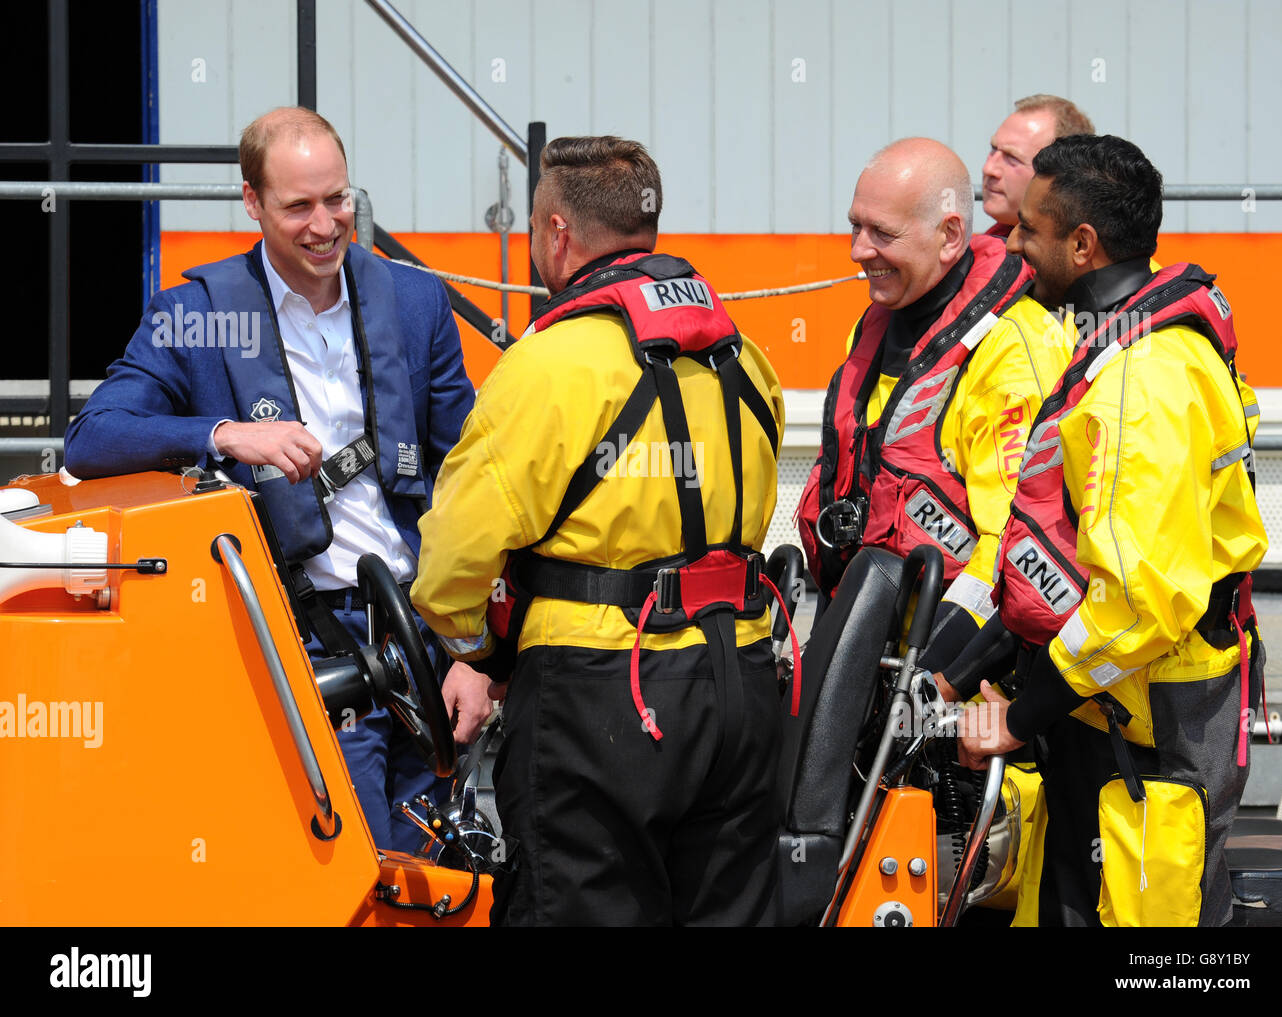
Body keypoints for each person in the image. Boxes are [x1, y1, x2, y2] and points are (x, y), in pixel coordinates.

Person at [63, 106, 489, 854]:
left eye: (339, 199)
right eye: (299, 206)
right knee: (350, 868)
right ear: (252, 203)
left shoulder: (416, 303)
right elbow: (94, 434)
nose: (326, 224)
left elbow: (474, 482)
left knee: (438, 871)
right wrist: (223, 434)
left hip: (423, 636)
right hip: (300, 647)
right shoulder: (199, 314)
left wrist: (477, 655)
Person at [410, 136, 787, 926]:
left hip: (602, 698)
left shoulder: (549, 365)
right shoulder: (745, 358)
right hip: (744, 683)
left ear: (555, 232)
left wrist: (481, 652)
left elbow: (450, 566)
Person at [954, 134, 1267, 927]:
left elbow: (1135, 603)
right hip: (1113, 703)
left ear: (1082, 243)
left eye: (1029, 230)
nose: (1013, 246)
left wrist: (1016, 720)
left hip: (1152, 717)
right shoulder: (1117, 341)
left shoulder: (1144, 377)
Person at [797, 138, 1069, 668]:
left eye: (882, 233)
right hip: (863, 640)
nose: (858, 250)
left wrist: (937, 675)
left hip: (957, 676)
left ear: (949, 236)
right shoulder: (873, 327)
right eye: (856, 226)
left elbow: (1012, 542)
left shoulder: (1011, 349)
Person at [982, 95, 1094, 238]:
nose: (988, 169)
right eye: (993, 148)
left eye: (1012, 157)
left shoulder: (1078, 255)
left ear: (1061, 174)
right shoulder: (993, 241)